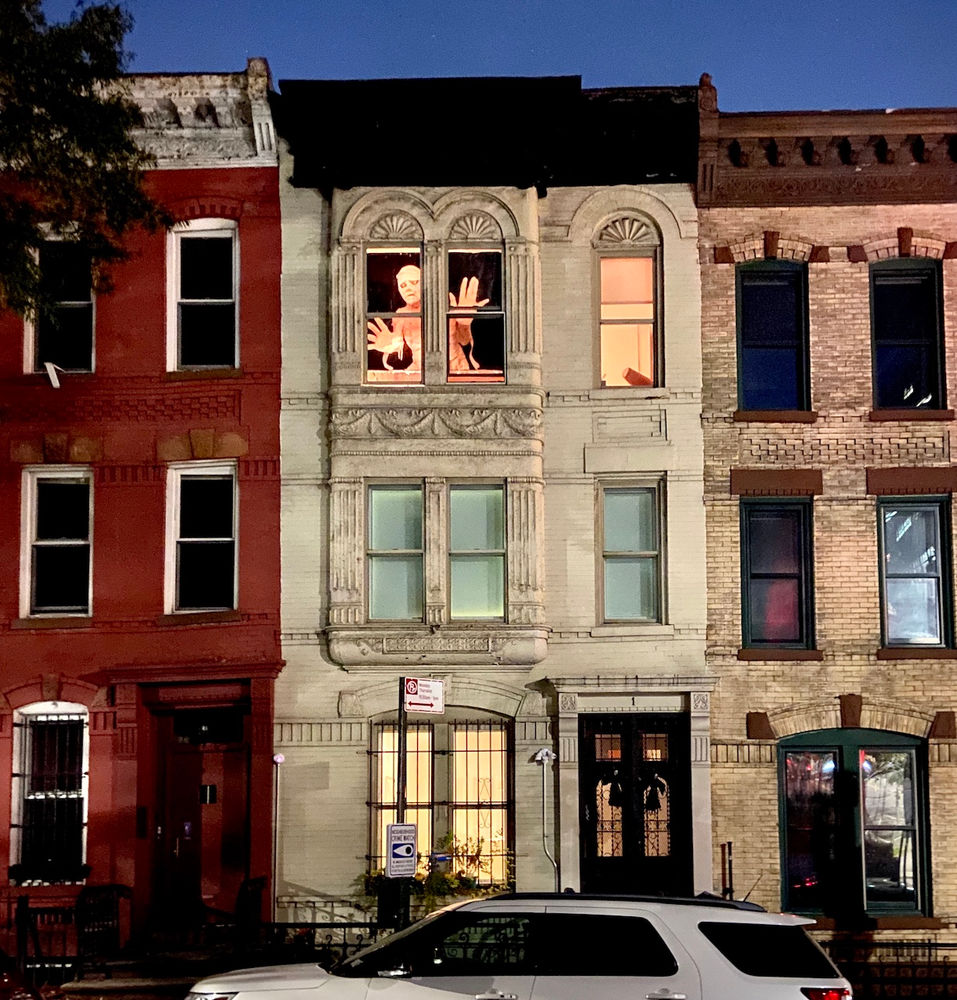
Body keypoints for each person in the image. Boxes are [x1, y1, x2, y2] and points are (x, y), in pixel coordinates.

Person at [367, 263, 422, 373]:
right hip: (418, 368)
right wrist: (389, 346)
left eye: (414, 282)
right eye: (403, 285)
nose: (408, 289)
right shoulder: (401, 314)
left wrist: (465, 322)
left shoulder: (440, 307)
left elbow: (463, 340)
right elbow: (397, 344)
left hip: (454, 367)